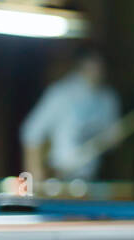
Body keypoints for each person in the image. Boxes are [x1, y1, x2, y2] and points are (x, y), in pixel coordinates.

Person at [20, 43, 120, 183]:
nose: (98, 69)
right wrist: (34, 175)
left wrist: (112, 139)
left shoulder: (108, 99)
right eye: (94, 63)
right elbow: (31, 132)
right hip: (60, 177)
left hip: (90, 180)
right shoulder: (61, 93)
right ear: (81, 65)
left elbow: (112, 140)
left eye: (101, 64)